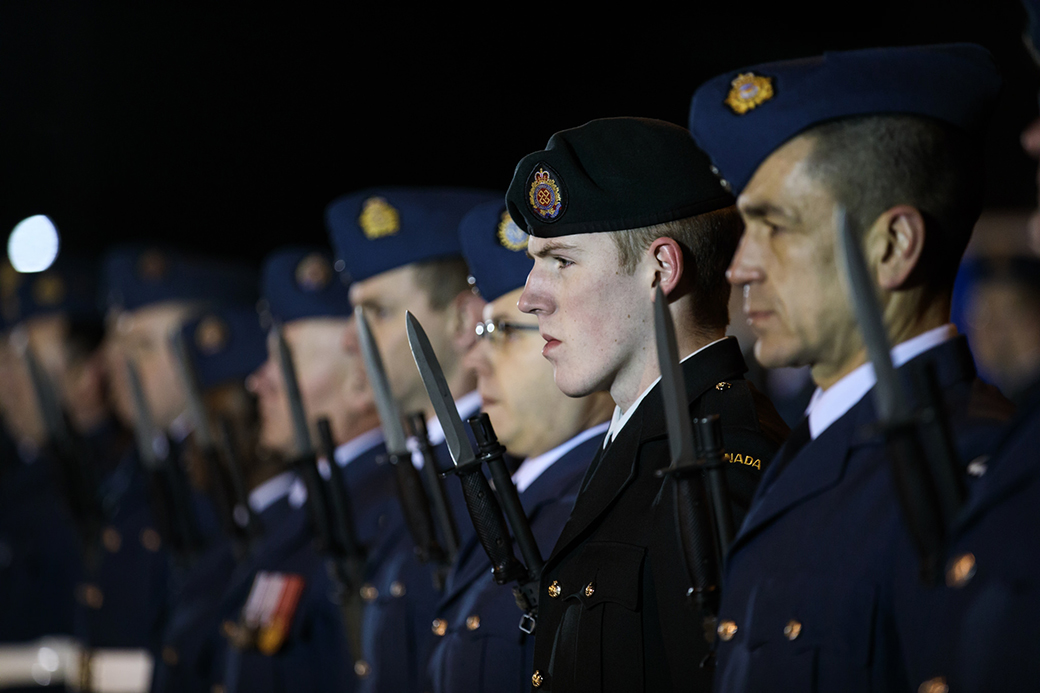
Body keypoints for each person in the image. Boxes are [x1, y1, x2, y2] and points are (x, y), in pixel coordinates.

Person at [688, 43, 1015, 691]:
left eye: (775, 225)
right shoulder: (818, 445)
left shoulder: (975, 474)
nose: (740, 266)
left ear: (893, 246)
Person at [509, 117, 788, 692]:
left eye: (562, 260)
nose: (529, 298)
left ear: (661, 269)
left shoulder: (724, 454)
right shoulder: (643, 440)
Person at [425, 200, 614, 693]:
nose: (477, 363)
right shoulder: (517, 489)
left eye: (505, 331)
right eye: (482, 331)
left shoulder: (603, 504)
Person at [326, 186, 499, 693]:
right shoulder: (407, 473)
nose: (347, 339)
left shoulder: (493, 475)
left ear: (463, 319)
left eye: (376, 312)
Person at [214, 246, 390, 693]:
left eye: (286, 358)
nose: (260, 380)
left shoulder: (379, 514)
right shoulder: (311, 510)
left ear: (359, 381)